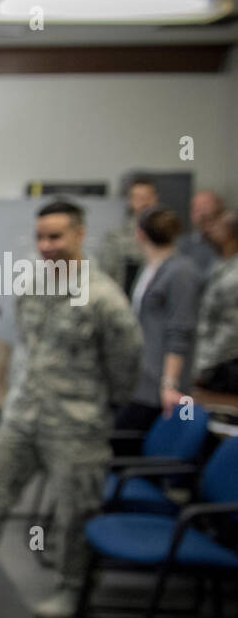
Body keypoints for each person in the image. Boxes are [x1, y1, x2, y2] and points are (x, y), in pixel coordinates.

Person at [0, 200, 143, 618]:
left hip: (76, 421)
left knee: (76, 508)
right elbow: (26, 348)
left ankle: (72, 589)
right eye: (40, 237)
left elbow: (126, 365)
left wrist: (95, 405)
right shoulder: (33, 286)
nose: (46, 245)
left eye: (55, 236)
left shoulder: (104, 298)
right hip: (23, 414)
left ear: (79, 234)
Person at [112, 208, 202, 453]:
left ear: (140, 234)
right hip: (142, 378)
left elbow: (179, 331)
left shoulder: (182, 271)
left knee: (124, 446)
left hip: (161, 384)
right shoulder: (149, 269)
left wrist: (170, 384)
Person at [194, 210, 238, 394]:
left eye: (217, 227)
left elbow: (231, 329)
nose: (210, 231)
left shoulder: (234, 276)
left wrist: (203, 365)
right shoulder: (219, 263)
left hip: (225, 366)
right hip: (211, 361)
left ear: (231, 234)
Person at [98, 175, 158, 292]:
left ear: (155, 198)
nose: (144, 203)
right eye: (139, 198)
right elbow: (107, 273)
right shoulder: (116, 237)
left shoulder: (167, 233)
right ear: (130, 201)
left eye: (148, 197)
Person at [177, 190, 225, 277]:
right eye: (197, 209)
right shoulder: (182, 244)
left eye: (206, 207)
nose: (202, 213)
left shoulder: (230, 243)